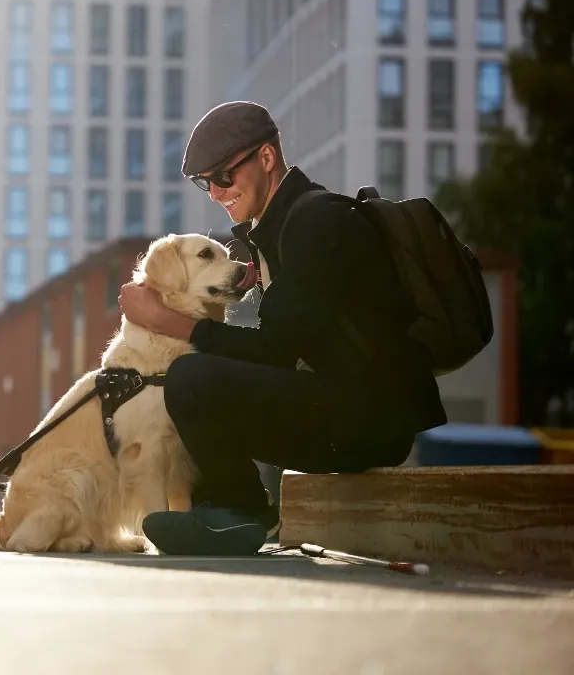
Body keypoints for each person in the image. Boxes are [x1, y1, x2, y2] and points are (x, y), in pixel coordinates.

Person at [118, 101, 447, 556]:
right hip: (341, 404)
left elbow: (273, 349)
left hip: (366, 421)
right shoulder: (282, 230)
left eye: (224, 176)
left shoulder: (317, 222)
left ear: (266, 159)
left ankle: (242, 511)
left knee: (191, 378)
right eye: (205, 182)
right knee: (198, 373)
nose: (215, 192)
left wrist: (165, 322)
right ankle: (227, 508)